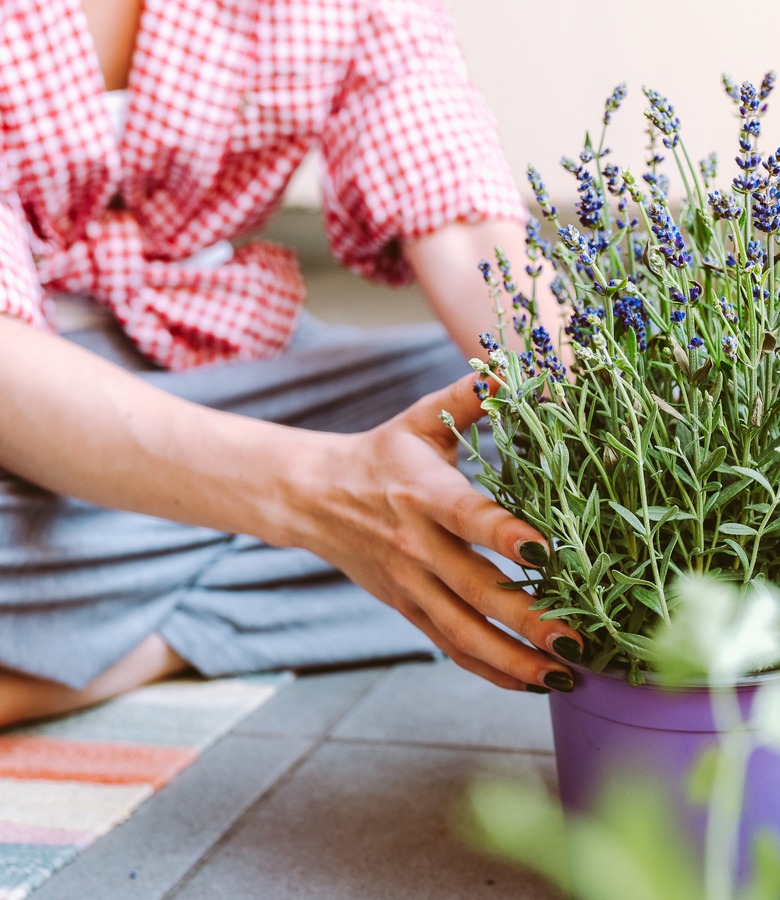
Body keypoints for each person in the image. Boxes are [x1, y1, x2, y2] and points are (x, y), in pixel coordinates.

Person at [0, 0, 581, 727]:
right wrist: (320, 492)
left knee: (505, 425)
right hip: (22, 389)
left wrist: (597, 435)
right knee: (429, 514)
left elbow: (462, 221)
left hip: (226, 359)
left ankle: (127, 644)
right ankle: (251, 590)